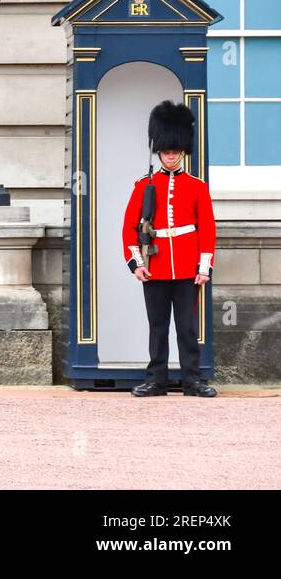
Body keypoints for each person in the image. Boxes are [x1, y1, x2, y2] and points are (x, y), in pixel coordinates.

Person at [121, 100, 217, 398]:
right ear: (159, 151)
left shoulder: (197, 186)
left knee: (187, 329)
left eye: (175, 151)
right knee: (158, 326)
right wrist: (136, 263)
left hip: (188, 267)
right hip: (156, 266)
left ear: (182, 151)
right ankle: (156, 381)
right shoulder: (143, 185)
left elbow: (207, 228)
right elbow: (129, 228)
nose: (171, 155)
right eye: (166, 150)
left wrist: (204, 268)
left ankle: (192, 381)